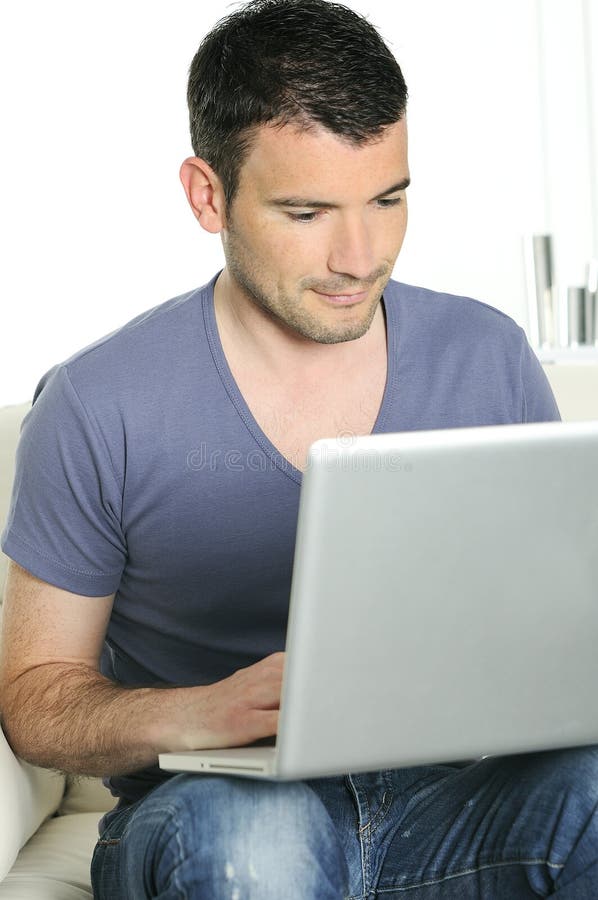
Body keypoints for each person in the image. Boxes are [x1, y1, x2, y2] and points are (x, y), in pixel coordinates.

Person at [1, 0, 597, 897]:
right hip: (219, 812)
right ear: (208, 195)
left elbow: (559, 617)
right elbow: (37, 700)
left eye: (388, 199)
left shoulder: (488, 356)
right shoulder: (96, 404)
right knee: (254, 840)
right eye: (307, 211)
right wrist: (198, 714)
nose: (360, 257)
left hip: (457, 806)